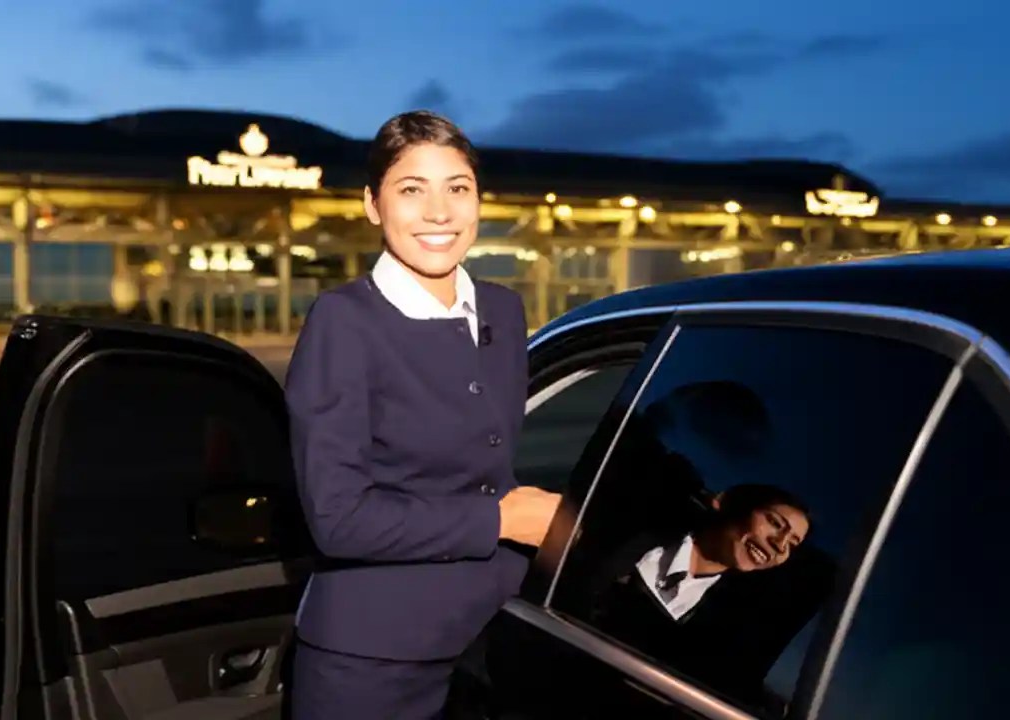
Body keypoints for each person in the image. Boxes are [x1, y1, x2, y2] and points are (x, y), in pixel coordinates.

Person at [283, 110, 560, 719]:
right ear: (372, 204)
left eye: (457, 188)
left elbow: (487, 461)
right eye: (412, 189)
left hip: (488, 642)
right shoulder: (344, 321)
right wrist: (501, 519)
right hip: (371, 663)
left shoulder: (503, 310)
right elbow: (337, 519)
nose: (439, 212)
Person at [587, 483, 832, 710]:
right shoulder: (635, 532)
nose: (780, 545)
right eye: (775, 523)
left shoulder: (727, 624)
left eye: (792, 544)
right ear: (726, 503)